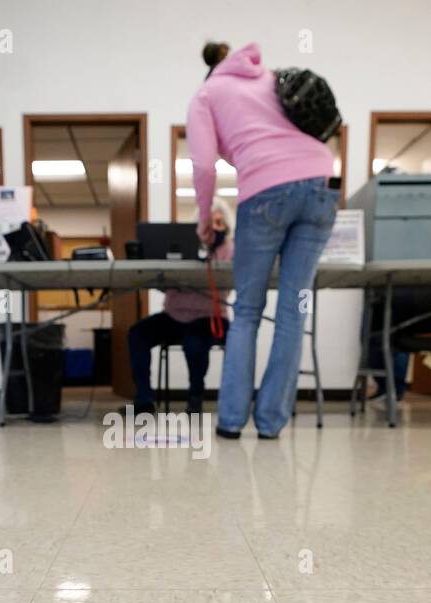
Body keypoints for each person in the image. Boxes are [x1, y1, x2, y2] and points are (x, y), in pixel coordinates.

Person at [187, 40, 340, 439]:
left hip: (266, 190)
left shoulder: (206, 95)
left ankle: (232, 421)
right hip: (322, 182)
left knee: (249, 310)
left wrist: (206, 218)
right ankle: (272, 423)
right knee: (293, 309)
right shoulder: (269, 78)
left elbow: (203, 165)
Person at [126, 201, 233, 415]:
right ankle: (144, 400)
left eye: (218, 222)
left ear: (227, 226)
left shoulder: (232, 250)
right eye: (208, 222)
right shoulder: (183, 246)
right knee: (137, 333)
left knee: (194, 341)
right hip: (174, 316)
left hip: (209, 318)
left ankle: (195, 398)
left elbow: (229, 284)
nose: (213, 228)